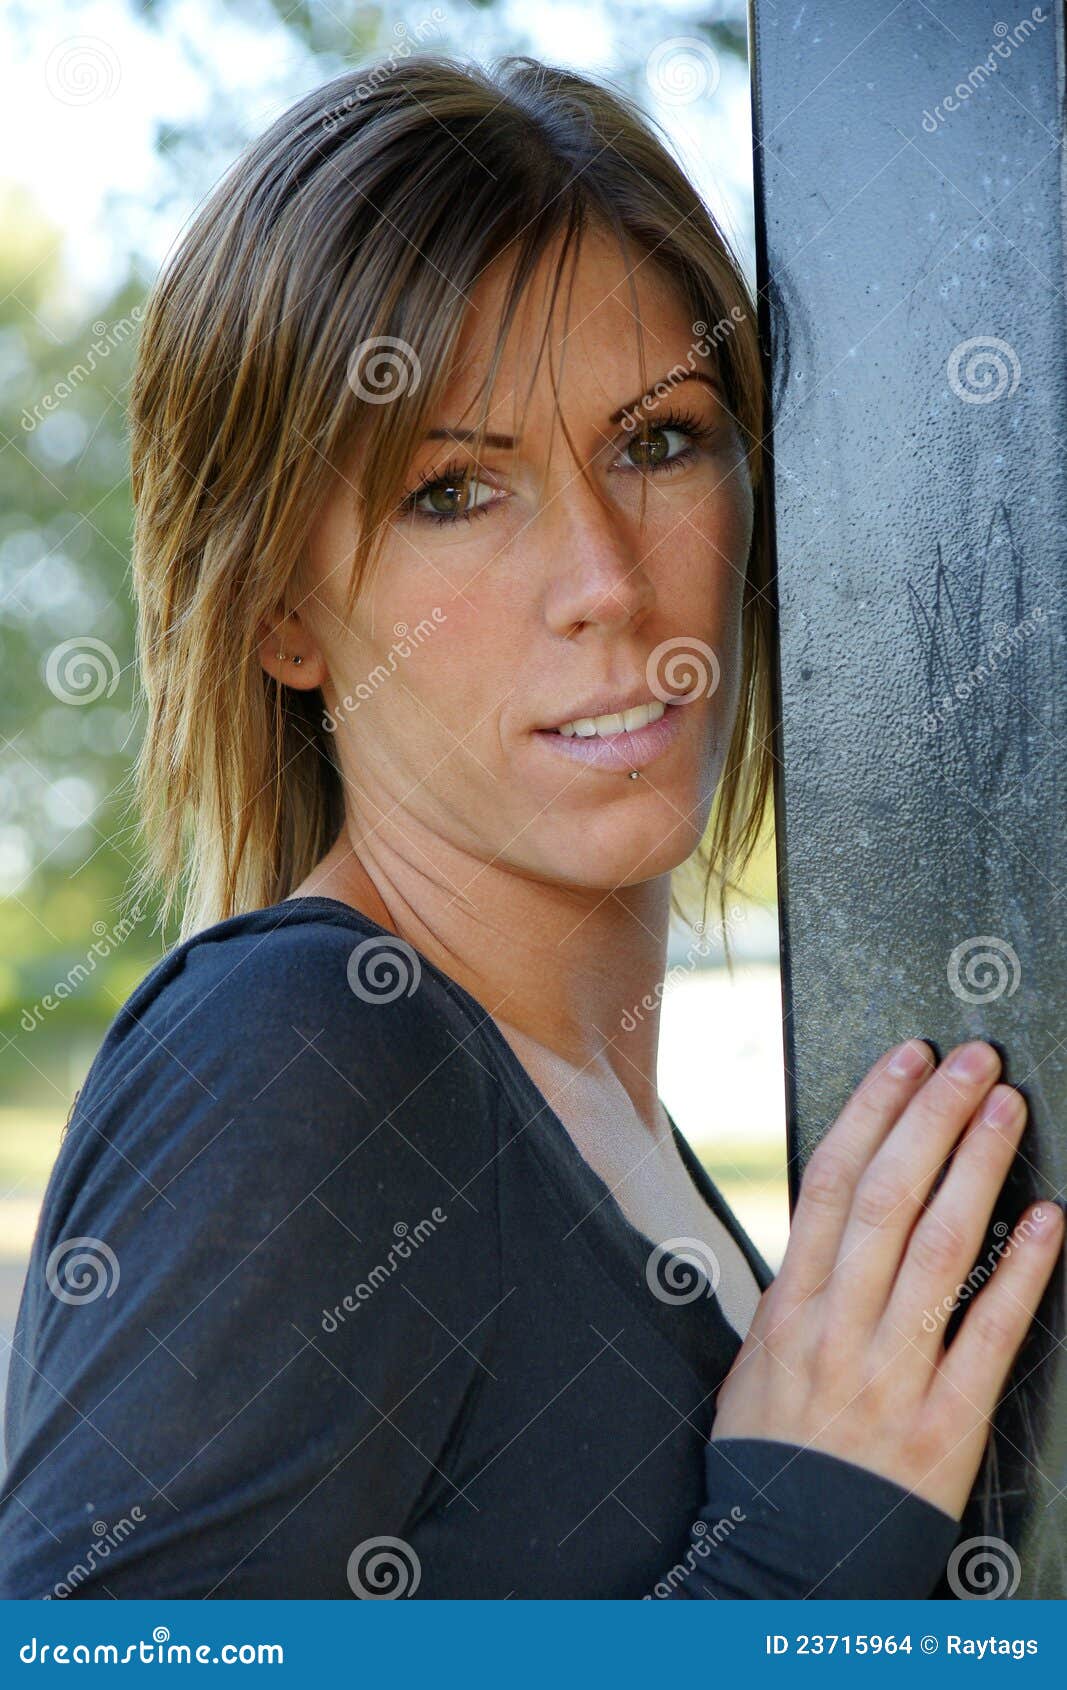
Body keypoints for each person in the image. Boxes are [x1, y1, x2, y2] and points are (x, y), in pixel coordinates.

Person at [0, 52, 1060, 1600]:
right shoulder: (303, 1051)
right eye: (454, 490)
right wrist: (797, 1563)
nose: (610, 582)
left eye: (660, 440)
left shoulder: (597, 1122)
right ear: (281, 608)